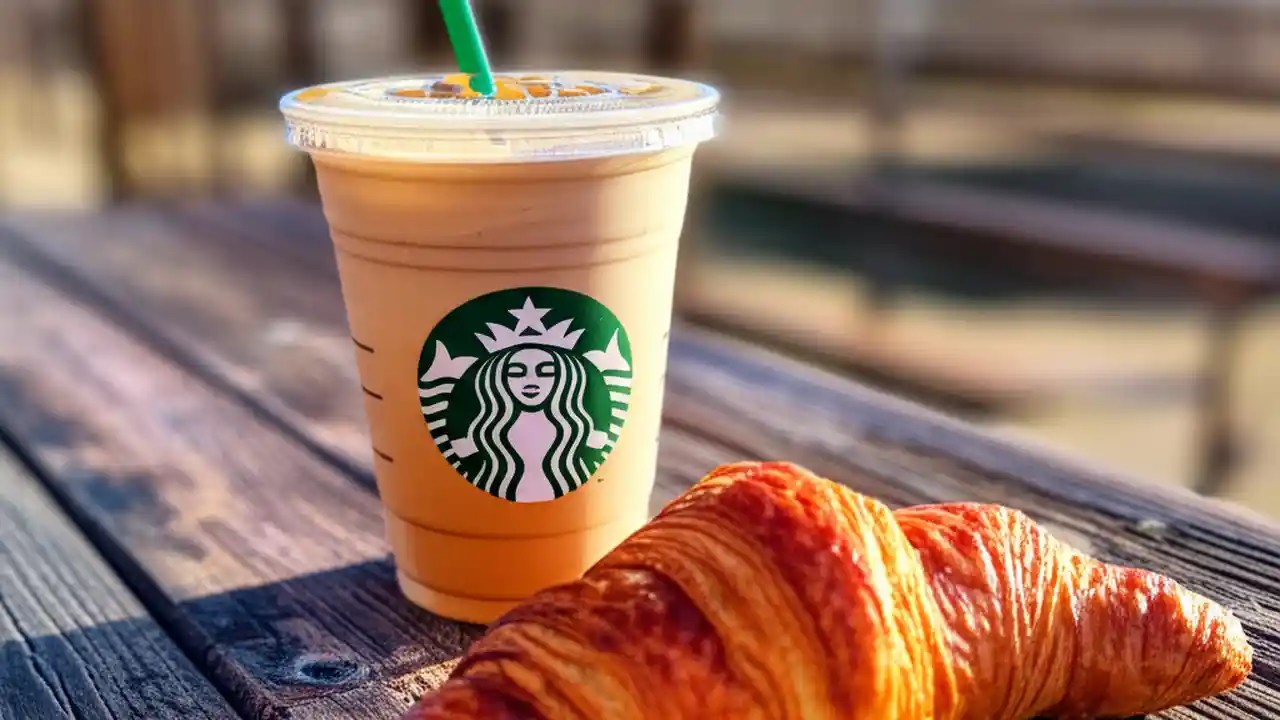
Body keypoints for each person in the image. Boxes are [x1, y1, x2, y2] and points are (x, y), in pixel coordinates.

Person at [451, 345, 608, 502]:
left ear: (563, 379)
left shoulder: (588, 435)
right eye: (516, 372)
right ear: (498, 379)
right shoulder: (476, 438)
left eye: (546, 372)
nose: (531, 381)